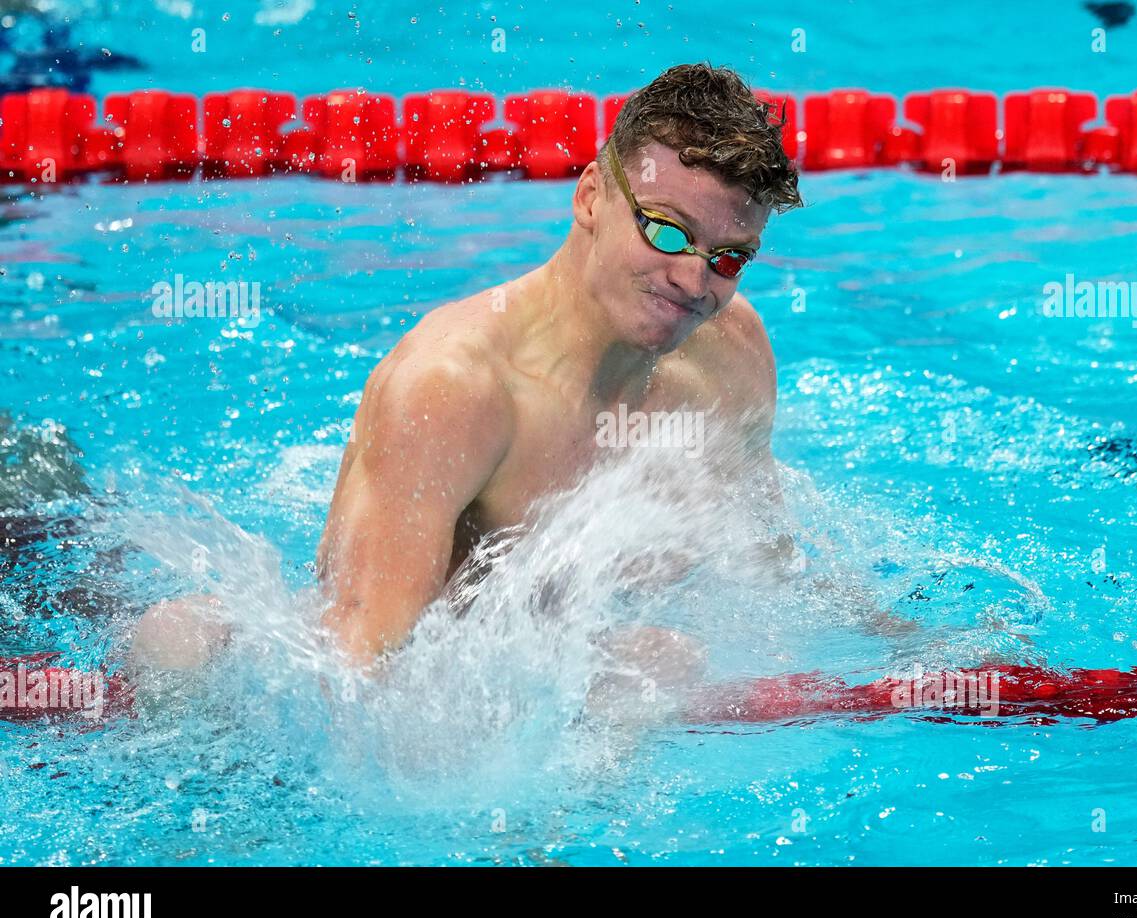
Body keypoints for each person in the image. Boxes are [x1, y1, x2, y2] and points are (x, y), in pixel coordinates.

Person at [130, 62, 805, 682]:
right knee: (181, 639)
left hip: (540, 676)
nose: (693, 279)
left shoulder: (729, 350)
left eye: (728, 259)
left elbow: (767, 565)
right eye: (665, 230)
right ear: (592, 197)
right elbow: (356, 666)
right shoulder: (457, 386)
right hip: (420, 695)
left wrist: (893, 650)